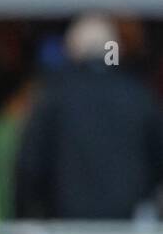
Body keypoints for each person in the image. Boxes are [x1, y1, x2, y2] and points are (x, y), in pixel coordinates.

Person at [16, 14, 163, 221]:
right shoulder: (138, 95)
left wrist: (28, 217)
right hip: (128, 232)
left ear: (72, 50)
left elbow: (30, 167)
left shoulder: (54, 96)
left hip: (66, 229)